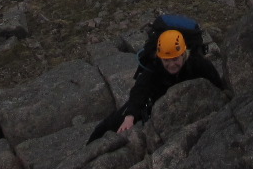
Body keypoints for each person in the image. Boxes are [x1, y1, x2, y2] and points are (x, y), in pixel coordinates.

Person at [88, 14, 224, 142]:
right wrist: (130, 116)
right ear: (160, 57)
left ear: (184, 54)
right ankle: (91, 144)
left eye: (175, 59)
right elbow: (140, 89)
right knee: (108, 124)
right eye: (166, 60)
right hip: (156, 97)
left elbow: (217, 83)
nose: (171, 65)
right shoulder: (155, 66)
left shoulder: (198, 63)